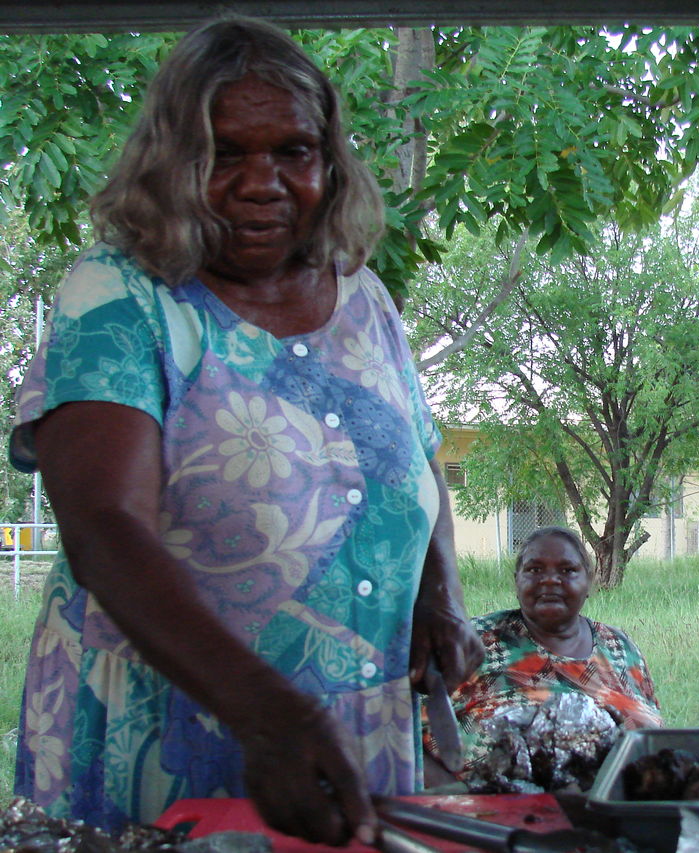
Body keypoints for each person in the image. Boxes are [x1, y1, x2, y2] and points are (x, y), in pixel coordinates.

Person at [8, 17, 483, 845]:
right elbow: (103, 526)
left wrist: (439, 592)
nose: (263, 183)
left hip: (350, 730)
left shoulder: (363, 296)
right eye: (223, 154)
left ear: (329, 163)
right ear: (170, 163)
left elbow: (417, 457)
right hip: (163, 731)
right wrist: (267, 713)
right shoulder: (119, 293)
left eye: (293, 151)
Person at [425, 526, 662, 788]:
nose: (550, 580)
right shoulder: (473, 642)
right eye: (535, 569)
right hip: (490, 808)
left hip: (617, 804)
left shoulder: (619, 646)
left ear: (588, 582)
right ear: (517, 581)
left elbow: (653, 734)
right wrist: (455, 797)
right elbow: (405, 733)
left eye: (567, 570)